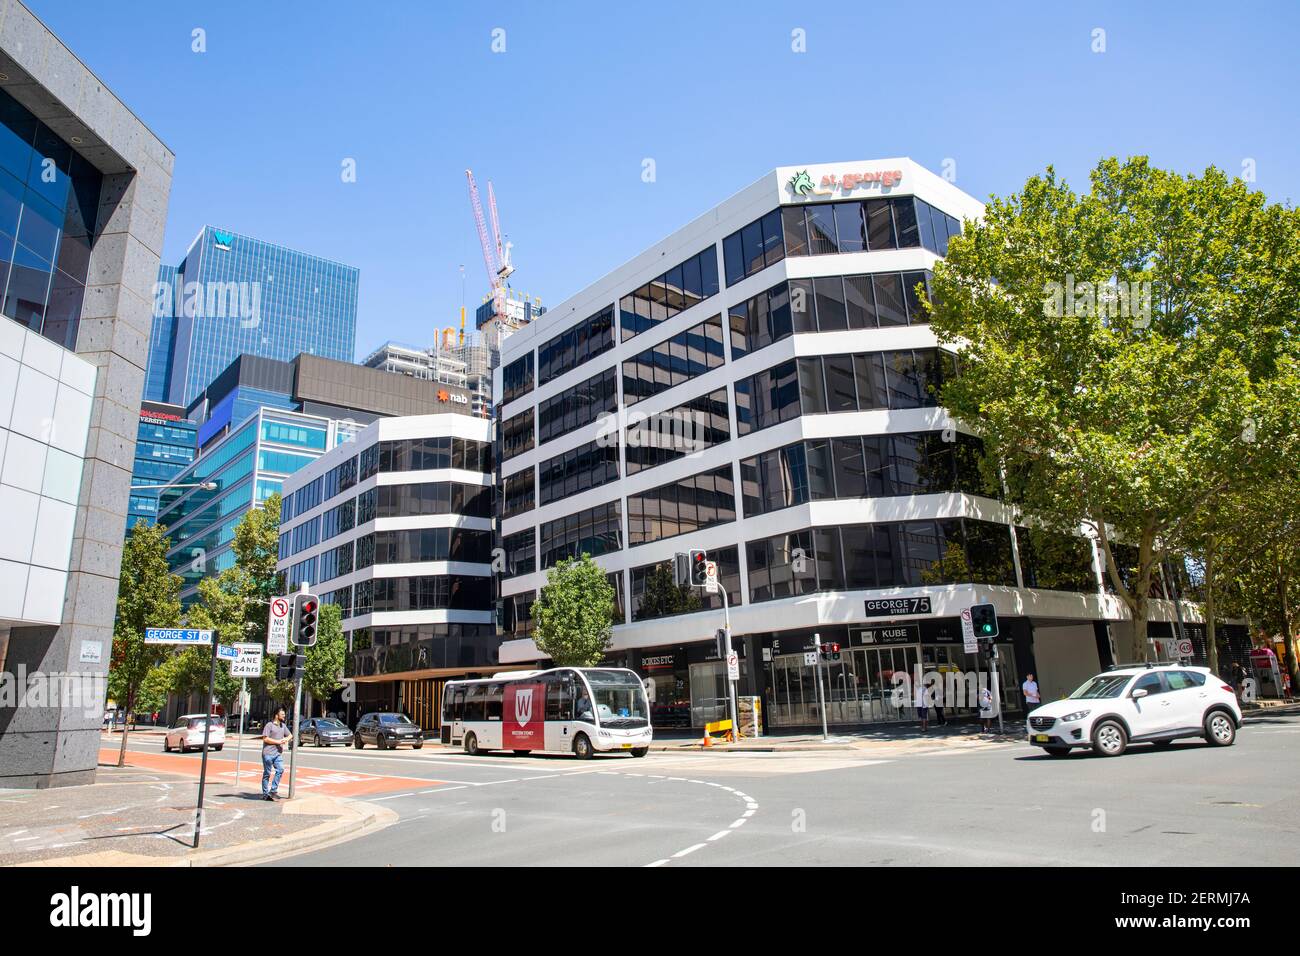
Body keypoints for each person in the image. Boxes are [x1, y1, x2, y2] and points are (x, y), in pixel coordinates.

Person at [261, 706, 290, 801]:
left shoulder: (283, 726)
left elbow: (290, 735)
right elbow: (265, 738)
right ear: (276, 715)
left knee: (280, 769)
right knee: (267, 773)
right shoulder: (269, 725)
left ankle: (273, 791)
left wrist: (286, 739)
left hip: (277, 754)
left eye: (284, 714)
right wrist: (278, 742)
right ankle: (265, 794)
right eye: (282, 714)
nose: (284, 716)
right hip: (268, 754)